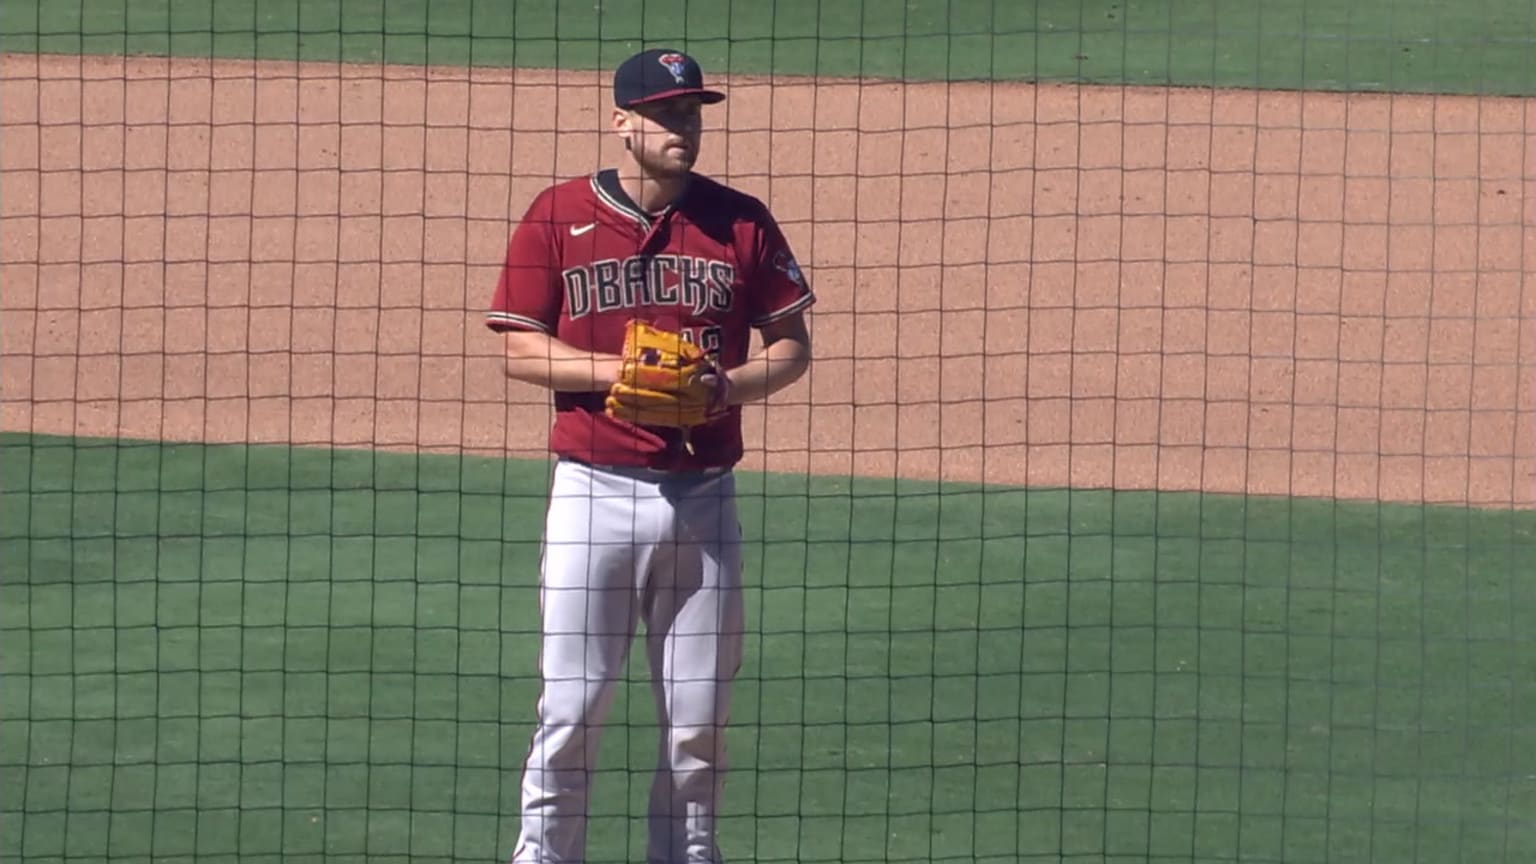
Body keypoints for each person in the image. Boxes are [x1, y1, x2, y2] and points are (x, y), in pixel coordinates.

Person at [484, 47, 816, 864]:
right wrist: (615, 372)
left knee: (699, 723)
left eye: (692, 113)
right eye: (667, 114)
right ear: (622, 121)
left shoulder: (740, 219)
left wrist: (727, 388)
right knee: (571, 710)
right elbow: (518, 352)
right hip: (592, 492)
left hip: (705, 499)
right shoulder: (557, 215)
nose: (683, 128)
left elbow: (792, 346)